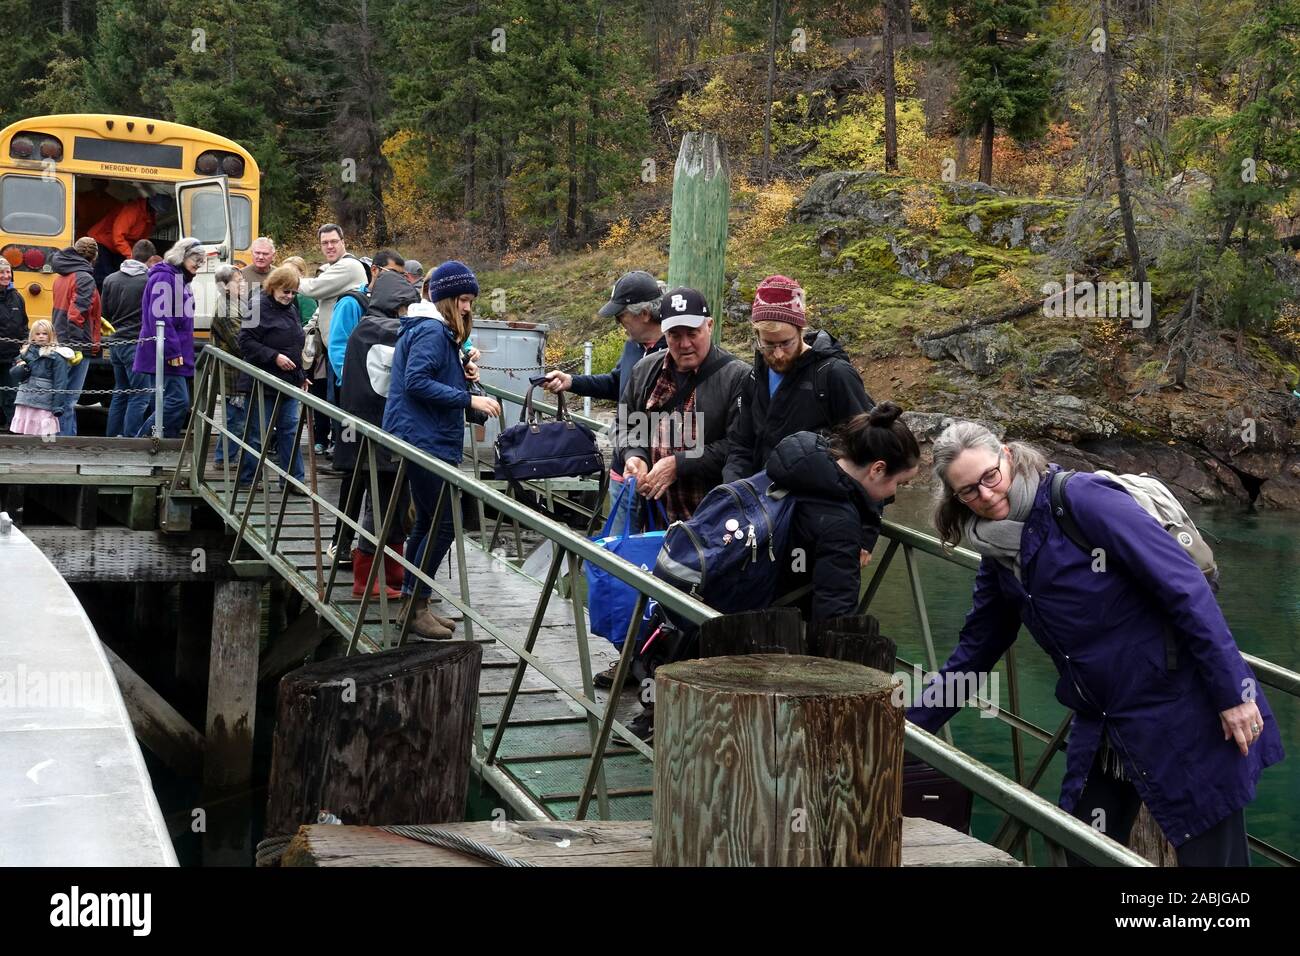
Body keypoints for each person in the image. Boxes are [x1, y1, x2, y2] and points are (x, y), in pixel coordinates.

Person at [907, 421, 1285, 866]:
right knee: (1082, 847)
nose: (986, 495)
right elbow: (978, 648)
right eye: (968, 491)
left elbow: (1185, 589)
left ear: (1007, 456)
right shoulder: (999, 553)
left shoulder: (1082, 501)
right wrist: (909, 728)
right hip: (1106, 724)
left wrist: (1232, 694)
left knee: (1210, 861)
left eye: (990, 476)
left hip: (1185, 710)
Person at [382, 260, 500, 639]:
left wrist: (462, 372)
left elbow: (427, 376)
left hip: (425, 435)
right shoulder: (433, 331)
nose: (467, 307)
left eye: (470, 301)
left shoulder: (435, 331)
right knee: (444, 523)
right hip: (424, 438)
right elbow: (416, 381)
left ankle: (414, 604)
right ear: (445, 298)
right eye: (462, 300)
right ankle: (415, 604)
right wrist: (468, 401)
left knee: (432, 523)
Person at [769, 404, 919, 628]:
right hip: (767, 634)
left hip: (726, 605)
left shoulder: (797, 472)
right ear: (877, 469)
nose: (894, 494)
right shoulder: (841, 523)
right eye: (899, 483)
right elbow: (836, 618)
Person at [616, 286, 748, 522]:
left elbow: (741, 446)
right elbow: (626, 423)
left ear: (709, 326)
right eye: (675, 335)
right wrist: (635, 456)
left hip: (712, 518)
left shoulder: (738, 377)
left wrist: (680, 464)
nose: (684, 343)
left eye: (692, 332)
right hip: (656, 515)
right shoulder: (645, 370)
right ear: (664, 334)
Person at [335, 267, 420, 599]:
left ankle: (392, 574)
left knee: (394, 504)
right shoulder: (379, 331)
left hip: (373, 434)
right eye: (405, 308)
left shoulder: (366, 329)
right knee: (381, 505)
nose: (408, 313)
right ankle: (366, 578)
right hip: (378, 434)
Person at [543, 269, 666, 474]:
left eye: (620, 317)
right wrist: (571, 381)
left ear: (644, 314)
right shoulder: (633, 346)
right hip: (623, 465)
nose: (619, 324)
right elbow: (616, 383)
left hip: (657, 471)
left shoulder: (677, 353)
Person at [296, 224, 367, 456]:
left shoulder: (349, 265)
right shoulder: (332, 268)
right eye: (324, 243)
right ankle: (342, 449)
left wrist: (287, 279)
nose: (329, 246)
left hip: (347, 349)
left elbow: (315, 289)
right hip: (333, 349)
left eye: (334, 241)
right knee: (335, 401)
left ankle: (349, 452)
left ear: (343, 241)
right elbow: (322, 307)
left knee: (347, 403)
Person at [237, 265, 306, 490]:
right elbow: (245, 342)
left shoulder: (291, 307)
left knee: (290, 430)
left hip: (288, 380)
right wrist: (274, 356)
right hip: (261, 380)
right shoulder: (257, 306)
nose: (289, 296)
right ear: (274, 286)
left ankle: (293, 480)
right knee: (257, 432)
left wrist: (300, 375)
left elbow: (294, 343)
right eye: (286, 291)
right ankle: (248, 479)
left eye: (293, 292)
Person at [132, 238, 201, 439]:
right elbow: (159, 317)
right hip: (165, 352)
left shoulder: (180, 279)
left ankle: (161, 449)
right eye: (195, 258)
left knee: (169, 402)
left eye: (201, 260)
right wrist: (172, 351)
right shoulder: (164, 277)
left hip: (174, 350)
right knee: (177, 401)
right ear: (182, 256)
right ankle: (143, 444)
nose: (199, 263)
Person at [102, 239, 156, 437]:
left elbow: (104, 313)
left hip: (116, 342)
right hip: (136, 344)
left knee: (121, 392)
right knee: (141, 394)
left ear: (131, 254)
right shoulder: (149, 281)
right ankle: (130, 439)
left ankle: (112, 436)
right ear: (150, 259)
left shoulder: (110, 279)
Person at [51, 237, 103, 436]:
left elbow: (68, 311)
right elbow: (76, 314)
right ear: (94, 256)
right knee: (69, 399)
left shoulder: (62, 275)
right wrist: (78, 347)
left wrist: (97, 319)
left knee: (61, 397)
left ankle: (61, 442)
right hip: (75, 344)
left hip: (60, 339)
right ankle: (67, 444)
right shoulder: (84, 278)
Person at [210, 264, 249, 466]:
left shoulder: (235, 304)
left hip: (237, 372)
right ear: (225, 286)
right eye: (238, 280)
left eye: (243, 279)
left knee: (238, 419)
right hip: (233, 374)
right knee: (236, 419)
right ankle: (224, 458)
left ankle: (226, 456)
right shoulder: (227, 310)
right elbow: (239, 343)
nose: (243, 283)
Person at [8, 320, 72, 437]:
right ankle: (26, 454)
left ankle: (46, 454)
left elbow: (60, 382)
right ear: (32, 335)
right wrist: (20, 366)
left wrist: (57, 406)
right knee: (25, 433)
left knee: (47, 437)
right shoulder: (25, 353)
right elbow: (15, 374)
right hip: (25, 399)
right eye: (38, 334)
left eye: (45, 333)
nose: (41, 336)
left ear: (51, 335)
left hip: (44, 403)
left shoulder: (57, 356)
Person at [86, 188, 155, 289]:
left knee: (118, 274)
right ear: (151, 207)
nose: (158, 213)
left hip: (118, 246)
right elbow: (118, 236)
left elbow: (142, 240)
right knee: (105, 276)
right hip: (102, 241)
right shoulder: (132, 211)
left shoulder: (149, 217)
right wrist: (131, 255)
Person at [0, 259, 30, 431]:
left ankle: (12, 428)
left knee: (11, 394)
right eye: (2, 273)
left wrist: (25, 342)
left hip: (11, 355)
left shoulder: (17, 297)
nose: (5, 276)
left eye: (8, 272)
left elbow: (24, 324)